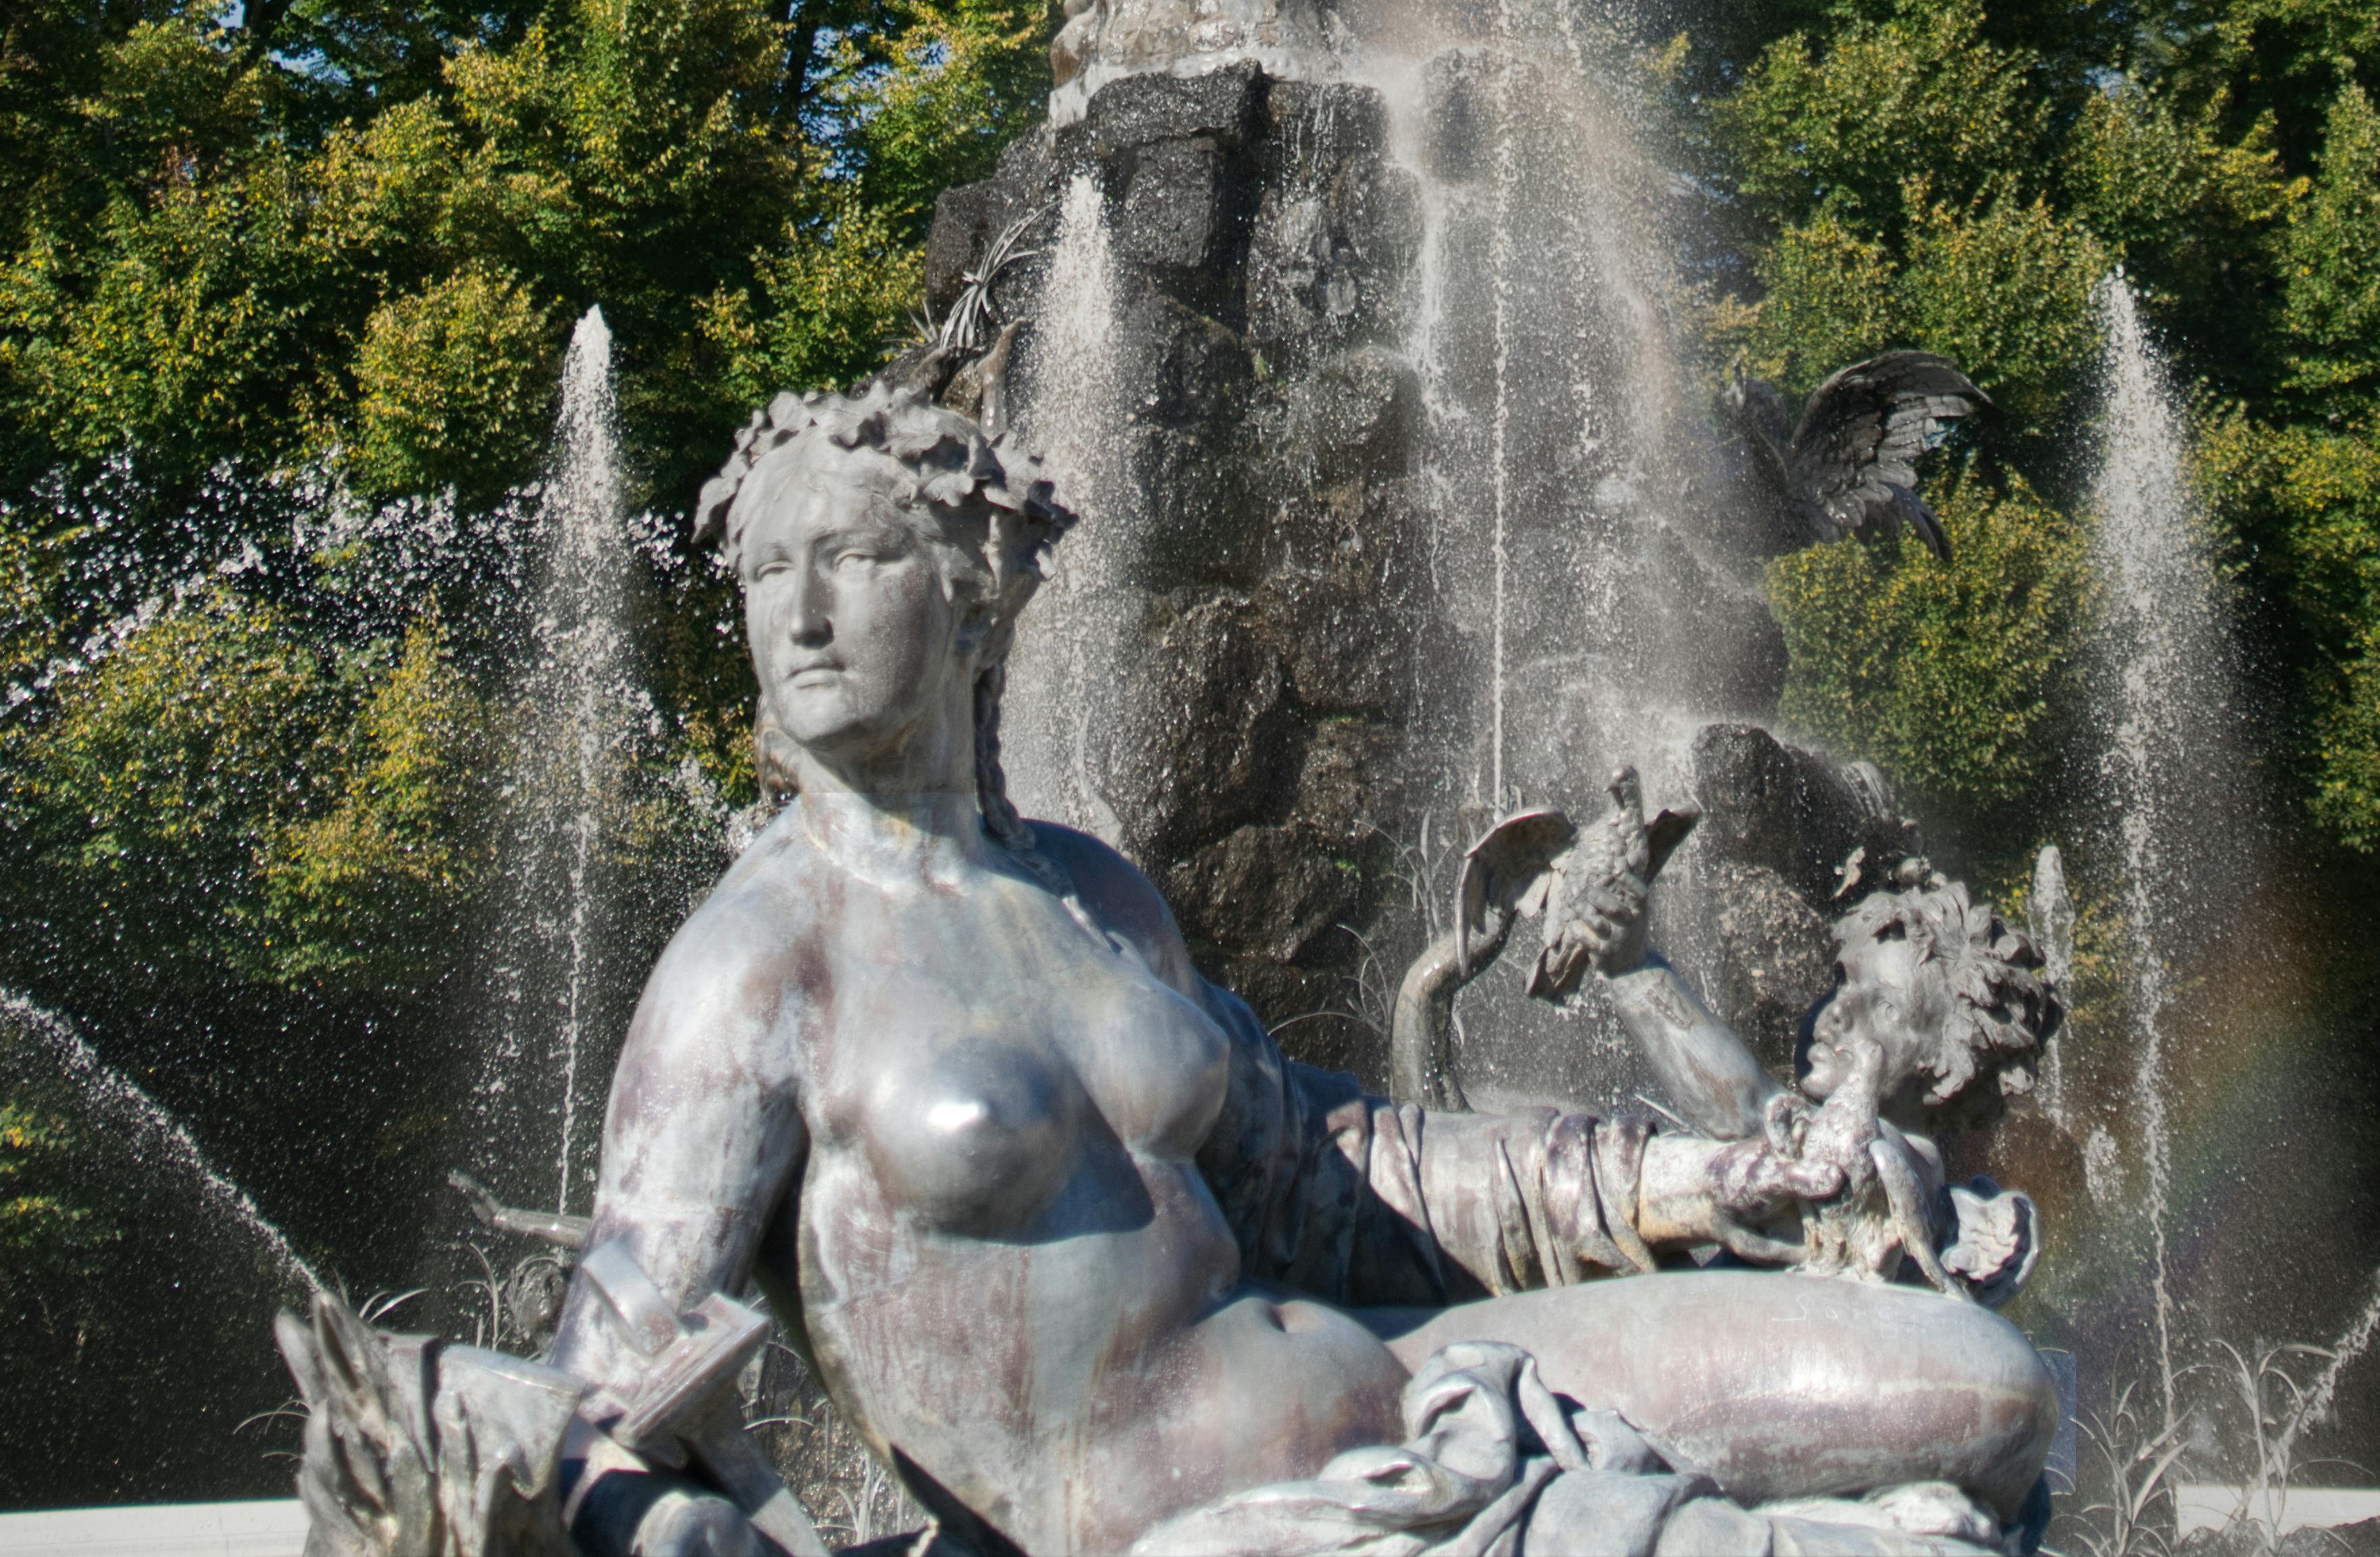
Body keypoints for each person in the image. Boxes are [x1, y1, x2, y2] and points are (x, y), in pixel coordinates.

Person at [543, 381, 2054, 1557]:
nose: (795, 617)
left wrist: (1697, 1188)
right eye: (762, 573)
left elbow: (1339, 1178)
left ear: (970, 588)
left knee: (1974, 1385)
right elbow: (602, 1382)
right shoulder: (756, 963)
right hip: (1203, 1517)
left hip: (1410, 1376)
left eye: (853, 560)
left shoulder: (1089, 896)